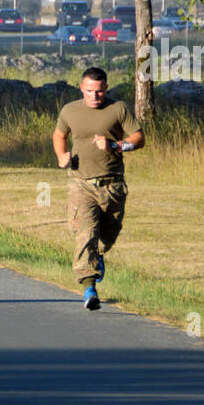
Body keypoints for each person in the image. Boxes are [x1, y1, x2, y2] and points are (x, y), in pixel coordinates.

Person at [52, 67, 144, 310]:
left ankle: (98, 256)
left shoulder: (119, 109)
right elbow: (59, 135)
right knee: (86, 233)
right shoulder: (70, 110)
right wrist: (62, 156)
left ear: (106, 89)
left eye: (100, 92)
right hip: (81, 184)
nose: (95, 96)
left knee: (107, 237)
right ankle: (89, 287)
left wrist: (116, 145)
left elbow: (139, 139)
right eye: (90, 91)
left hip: (113, 184)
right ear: (81, 88)